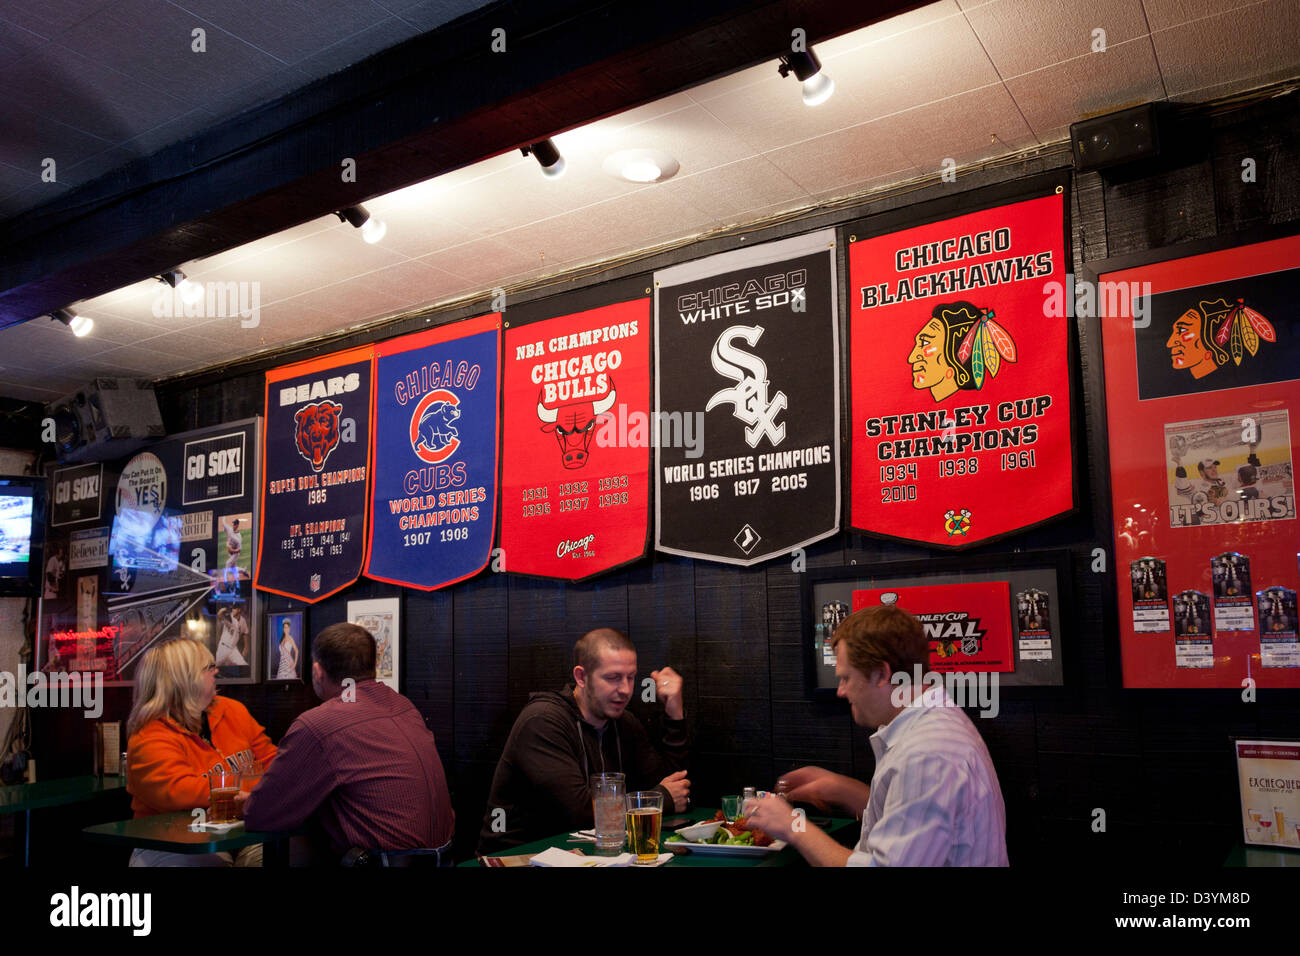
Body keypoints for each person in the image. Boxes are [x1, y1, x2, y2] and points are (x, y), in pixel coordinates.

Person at [745, 604, 1008, 866]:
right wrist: (841, 789)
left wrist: (794, 827)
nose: (841, 691)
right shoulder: (933, 723)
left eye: (846, 678)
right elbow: (912, 815)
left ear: (881, 674)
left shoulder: (927, 753)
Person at [243, 622, 455, 861]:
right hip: (445, 858)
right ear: (373, 666)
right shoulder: (404, 706)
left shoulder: (319, 725)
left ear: (317, 672)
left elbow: (259, 814)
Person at [478, 627, 690, 854]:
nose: (626, 690)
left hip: (585, 855)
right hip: (518, 856)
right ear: (581, 677)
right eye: (613, 678)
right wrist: (661, 801)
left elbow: (673, 786)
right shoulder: (542, 721)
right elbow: (579, 812)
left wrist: (674, 714)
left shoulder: (624, 722)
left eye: (631, 677)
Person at [126, 638, 277, 866]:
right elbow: (183, 792)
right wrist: (256, 791)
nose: (216, 671)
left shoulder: (232, 710)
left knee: (282, 853)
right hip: (175, 841)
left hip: (244, 832)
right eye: (208, 667)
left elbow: (276, 764)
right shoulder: (149, 735)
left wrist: (254, 793)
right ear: (184, 679)